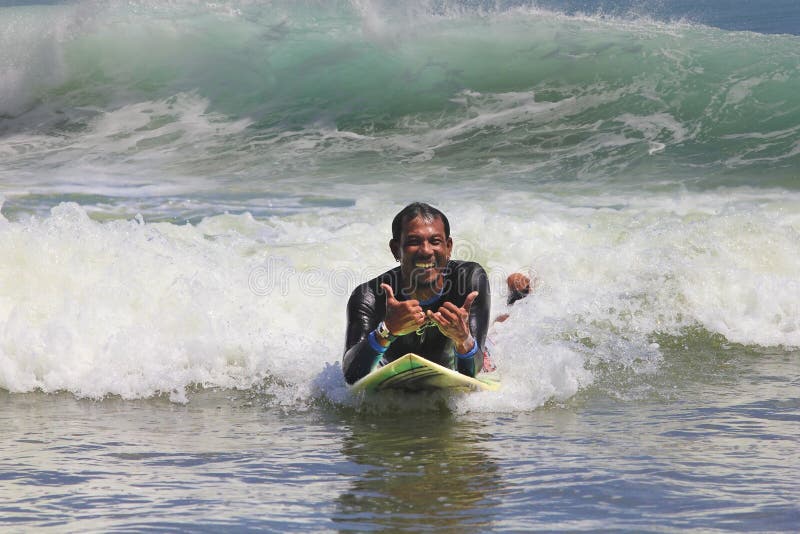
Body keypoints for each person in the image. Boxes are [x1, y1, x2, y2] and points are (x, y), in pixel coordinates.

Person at [342, 202, 490, 385]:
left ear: (449, 246)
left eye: (435, 241)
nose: (426, 251)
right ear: (396, 249)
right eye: (414, 242)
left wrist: (463, 339)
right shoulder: (370, 296)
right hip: (391, 368)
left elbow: (470, 374)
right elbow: (350, 376)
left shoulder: (468, 281)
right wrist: (387, 331)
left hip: (453, 363)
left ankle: (516, 294)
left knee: (491, 345)